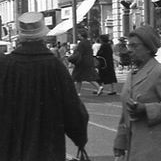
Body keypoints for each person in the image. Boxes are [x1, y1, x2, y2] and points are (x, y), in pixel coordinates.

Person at [0, 12, 89, 161]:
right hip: (47, 146)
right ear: (43, 36)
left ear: (20, 37)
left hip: (9, 146)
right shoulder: (55, 66)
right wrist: (80, 138)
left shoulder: (5, 66)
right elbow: (72, 108)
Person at [114, 26, 161, 161]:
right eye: (129, 46)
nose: (130, 50)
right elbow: (125, 114)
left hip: (156, 149)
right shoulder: (131, 75)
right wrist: (120, 144)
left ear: (148, 48)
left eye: (135, 46)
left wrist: (145, 109)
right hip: (135, 147)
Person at [69, 29, 99, 94]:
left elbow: (79, 53)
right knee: (85, 76)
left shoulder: (81, 43)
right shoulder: (88, 42)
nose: (78, 35)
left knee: (78, 77)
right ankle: (98, 87)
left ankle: (77, 92)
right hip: (88, 61)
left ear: (81, 35)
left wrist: (73, 56)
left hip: (81, 62)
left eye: (79, 34)